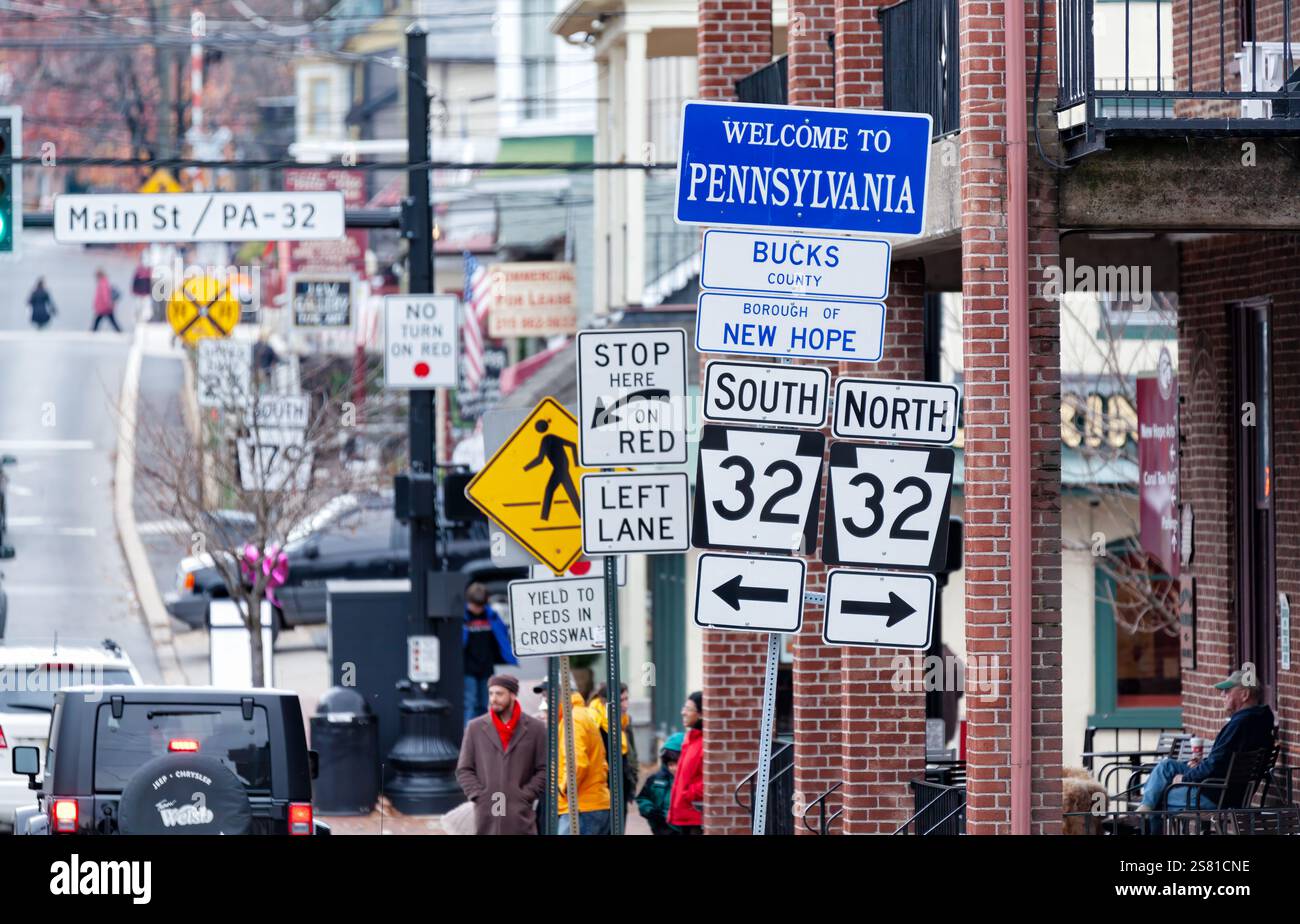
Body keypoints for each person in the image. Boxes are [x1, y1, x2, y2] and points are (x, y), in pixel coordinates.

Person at [1138, 669, 1275, 813]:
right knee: (1166, 766)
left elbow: (1215, 764)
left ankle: (1142, 817)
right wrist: (1200, 765)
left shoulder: (1239, 725)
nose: (1222, 695)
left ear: (1244, 694)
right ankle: (1144, 809)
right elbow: (1222, 762)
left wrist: (1185, 777)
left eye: (1227, 691)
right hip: (1229, 790)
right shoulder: (1261, 720)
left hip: (1214, 794)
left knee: (1157, 796)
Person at [455, 674, 547, 835]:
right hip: (486, 812)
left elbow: (544, 768)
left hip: (520, 814)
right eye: (491, 693)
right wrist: (478, 795)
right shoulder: (474, 728)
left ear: (512, 695)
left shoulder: (536, 728)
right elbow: (464, 769)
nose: (493, 699)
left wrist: (526, 795)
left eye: (499, 694)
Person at [555, 690, 611, 835]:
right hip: (590, 803)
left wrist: (563, 789)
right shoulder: (580, 715)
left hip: (582, 807)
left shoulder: (573, 719)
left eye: (546, 696)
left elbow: (577, 763)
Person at [461, 582, 517, 726]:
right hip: (468, 668)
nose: (477, 609)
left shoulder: (491, 616)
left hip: (486, 666)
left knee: (485, 703)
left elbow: (502, 636)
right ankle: (469, 736)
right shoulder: (464, 617)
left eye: (480, 605)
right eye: (475, 605)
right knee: (470, 703)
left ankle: (483, 734)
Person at [588, 682, 638, 830]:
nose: (626, 704)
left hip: (621, 787)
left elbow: (631, 754)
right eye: (621, 700)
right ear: (606, 702)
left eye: (626, 699)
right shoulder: (593, 721)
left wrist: (631, 782)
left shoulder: (624, 721)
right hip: (601, 791)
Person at [668, 691, 704, 835]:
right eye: (685, 707)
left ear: (701, 714)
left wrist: (688, 794)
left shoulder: (704, 741)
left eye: (689, 709)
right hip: (685, 815)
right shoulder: (691, 738)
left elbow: (710, 778)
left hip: (694, 816)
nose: (683, 712)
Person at [637, 732, 683, 835]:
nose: (673, 768)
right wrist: (650, 811)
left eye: (677, 763)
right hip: (661, 828)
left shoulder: (690, 781)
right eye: (670, 764)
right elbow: (643, 798)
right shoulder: (655, 779)